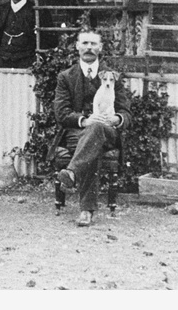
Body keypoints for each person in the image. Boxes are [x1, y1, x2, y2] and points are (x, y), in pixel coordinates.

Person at [53, 30, 131, 227]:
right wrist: (84, 120)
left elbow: (127, 114)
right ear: (77, 46)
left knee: (96, 132)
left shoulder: (113, 77)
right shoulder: (66, 77)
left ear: (100, 48)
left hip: (108, 132)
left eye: (93, 44)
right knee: (91, 142)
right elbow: (61, 113)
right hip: (77, 132)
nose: (89, 47)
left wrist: (115, 118)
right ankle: (86, 211)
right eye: (85, 43)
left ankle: (71, 173)